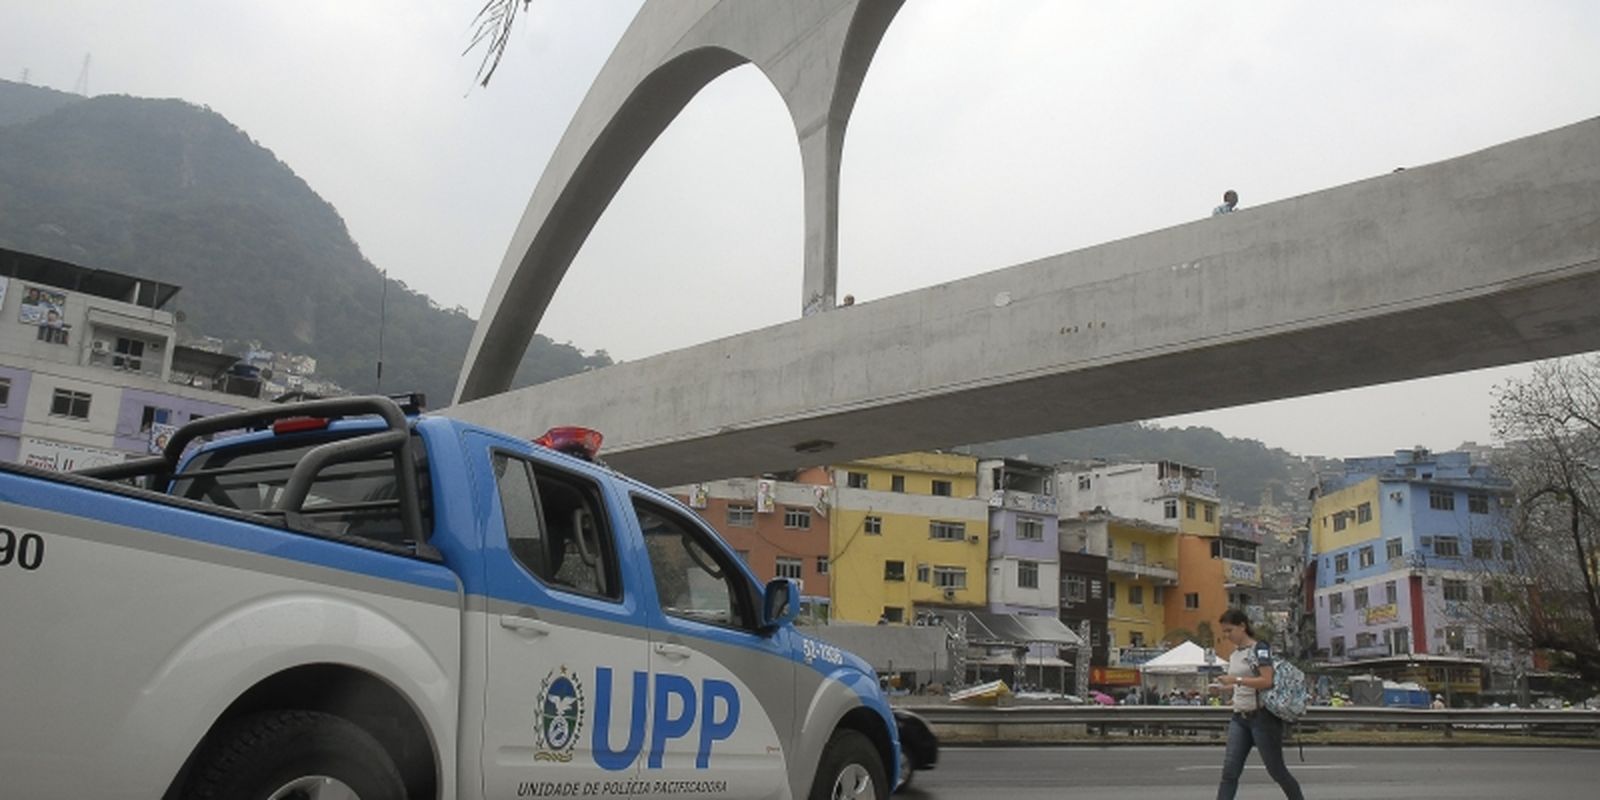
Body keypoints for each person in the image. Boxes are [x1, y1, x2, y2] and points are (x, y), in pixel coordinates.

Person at [1214, 608, 1304, 800]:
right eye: (1224, 632)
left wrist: (1236, 680)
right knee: (1229, 772)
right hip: (1240, 717)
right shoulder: (1235, 655)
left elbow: (1266, 681)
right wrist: (1227, 688)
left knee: (1276, 771)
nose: (1227, 635)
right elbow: (1243, 684)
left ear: (1242, 626)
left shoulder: (1259, 649)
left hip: (1262, 718)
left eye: (1230, 630)